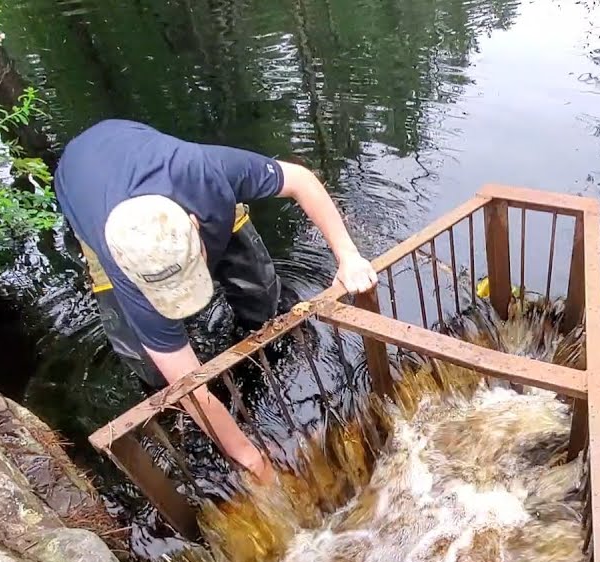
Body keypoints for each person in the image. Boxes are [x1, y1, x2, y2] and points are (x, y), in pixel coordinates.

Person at [53, 118, 378, 483]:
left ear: (194, 222)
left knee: (261, 296)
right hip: (82, 188)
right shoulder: (126, 270)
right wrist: (250, 457)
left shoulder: (207, 174)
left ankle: (257, 313)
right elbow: (189, 388)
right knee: (151, 366)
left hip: (135, 146)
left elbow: (302, 181)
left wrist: (348, 256)